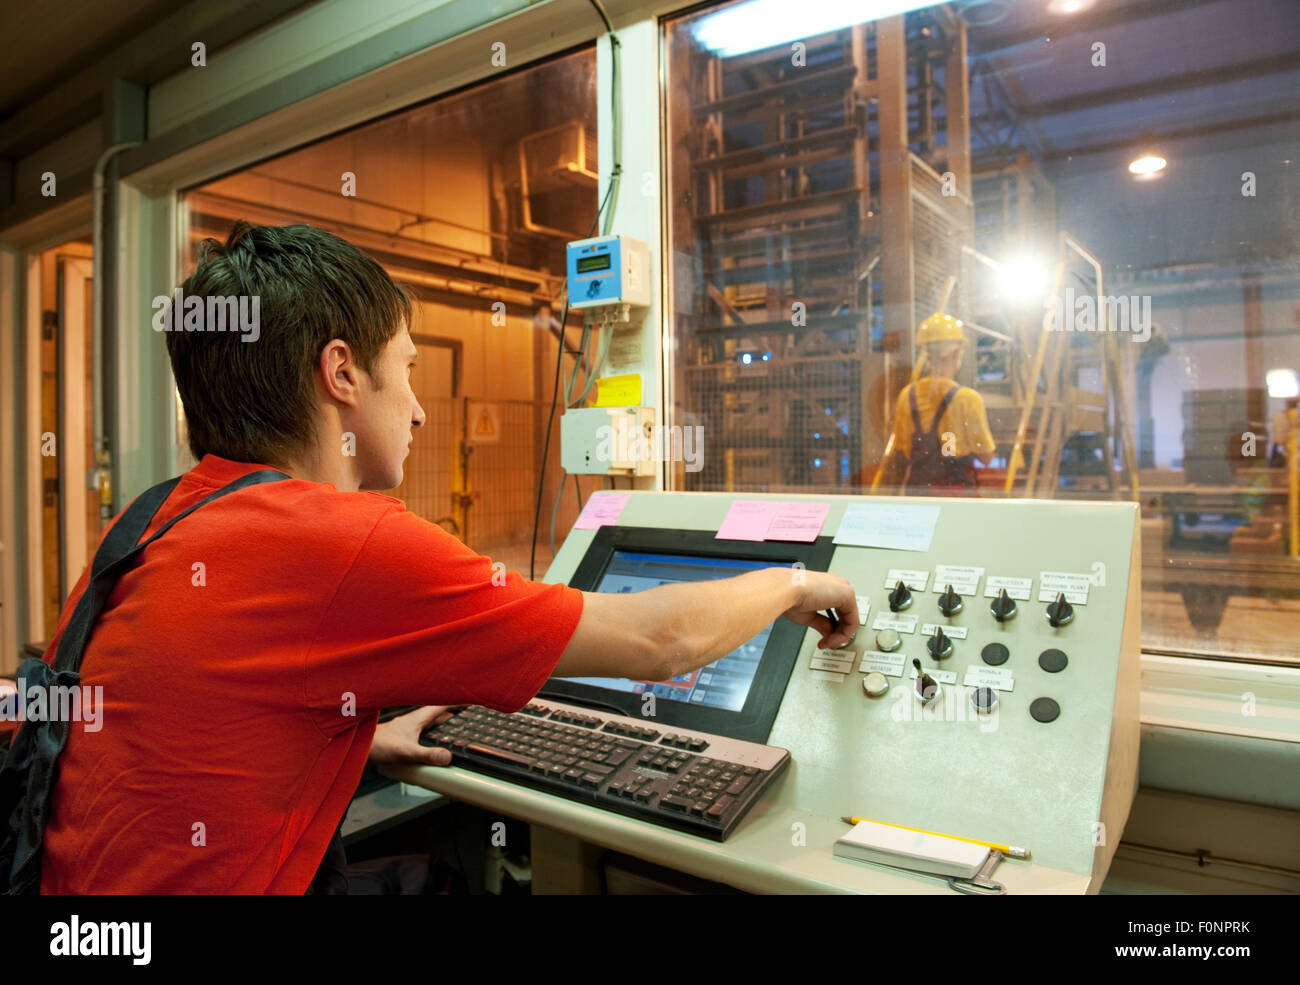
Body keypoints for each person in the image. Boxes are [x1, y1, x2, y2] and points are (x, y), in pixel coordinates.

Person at [30, 221, 857, 894]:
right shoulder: (339, 541)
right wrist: (793, 578)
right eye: (410, 370)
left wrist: (356, 742)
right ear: (343, 372)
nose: (421, 409)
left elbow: (184, 735)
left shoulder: (150, 517)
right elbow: (658, 641)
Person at [890, 313, 996, 494]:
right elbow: (986, 457)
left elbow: (904, 450)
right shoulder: (967, 399)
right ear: (957, 353)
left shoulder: (906, 396)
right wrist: (950, 442)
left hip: (918, 496)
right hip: (955, 497)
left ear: (927, 355)